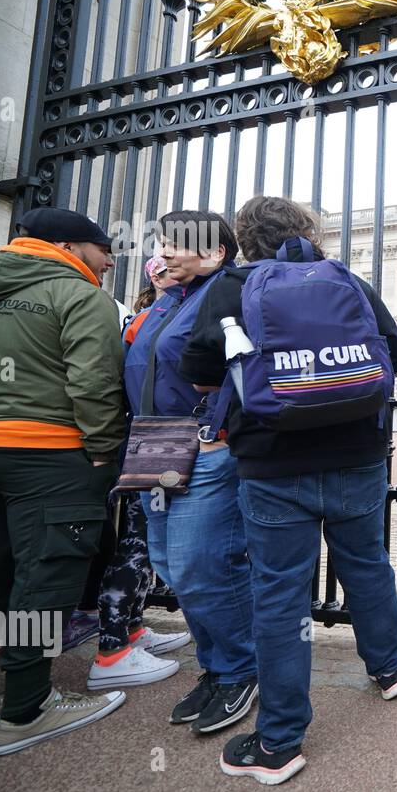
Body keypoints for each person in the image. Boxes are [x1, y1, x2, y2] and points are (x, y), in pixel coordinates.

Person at [179, 195, 397, 785]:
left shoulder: (232, 287)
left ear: (244, 239)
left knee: (280, 597)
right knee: (367, 564)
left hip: (272, 464)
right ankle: (389, 670)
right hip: (358, 456)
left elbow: (198, 369)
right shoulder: (345, 279)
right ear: (307, 232)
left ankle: (280, 743)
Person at [0, 206, 127, 755]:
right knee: (44, 578)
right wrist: (103, 453)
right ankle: (26, 708)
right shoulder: (79, 296)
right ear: (73, 246)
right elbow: (95, 382)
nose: (107, 263)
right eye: (105, 251)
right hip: (47, 456)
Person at [116, 211, 258, 728]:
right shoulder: (166, 301)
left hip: (203, 446)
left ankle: (241, 669)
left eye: (178, 244)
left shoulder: (227, 293)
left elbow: (243, 369)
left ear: (218, 252)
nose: (166, 252)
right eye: (162, 243)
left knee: (205, 566)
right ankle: (218, 667)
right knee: (171, 565)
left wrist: (215, 424)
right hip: (153, 444)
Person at [65, 255, 184, 655]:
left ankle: (130, 628)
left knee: (141, 542)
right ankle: (113, 645)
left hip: (143, 437)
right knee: (138, 543)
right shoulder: (156, 319)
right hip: (162, 439)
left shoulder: (141, 320)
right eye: (167, 270)